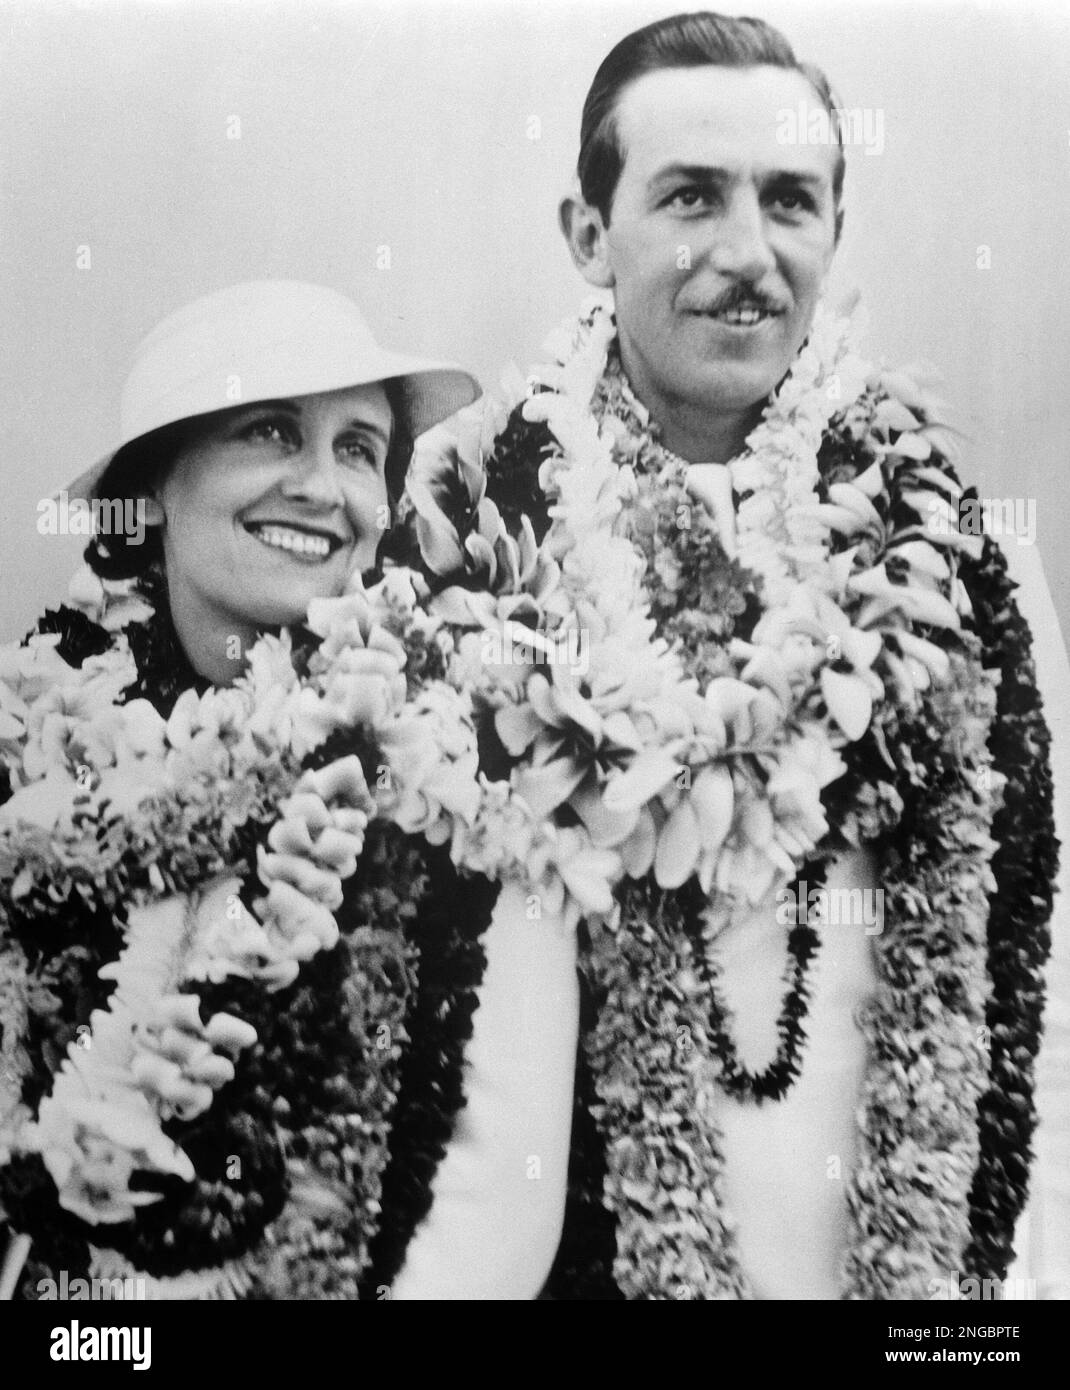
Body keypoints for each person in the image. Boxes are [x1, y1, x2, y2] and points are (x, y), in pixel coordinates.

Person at [461, 11, 1068, 1299]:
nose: (746, 254)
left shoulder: (961, 563)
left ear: (832, 231)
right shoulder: (481, 550)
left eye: (789, 201)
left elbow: (1051, 987)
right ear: (587, 236)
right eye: (690, 196)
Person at [0, 279, 576, 1299]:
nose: (325, 487)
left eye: (358, 448)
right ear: (153, 491)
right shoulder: (38, 769)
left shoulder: (459, 772)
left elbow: (491, 1229)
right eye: (271, 433)